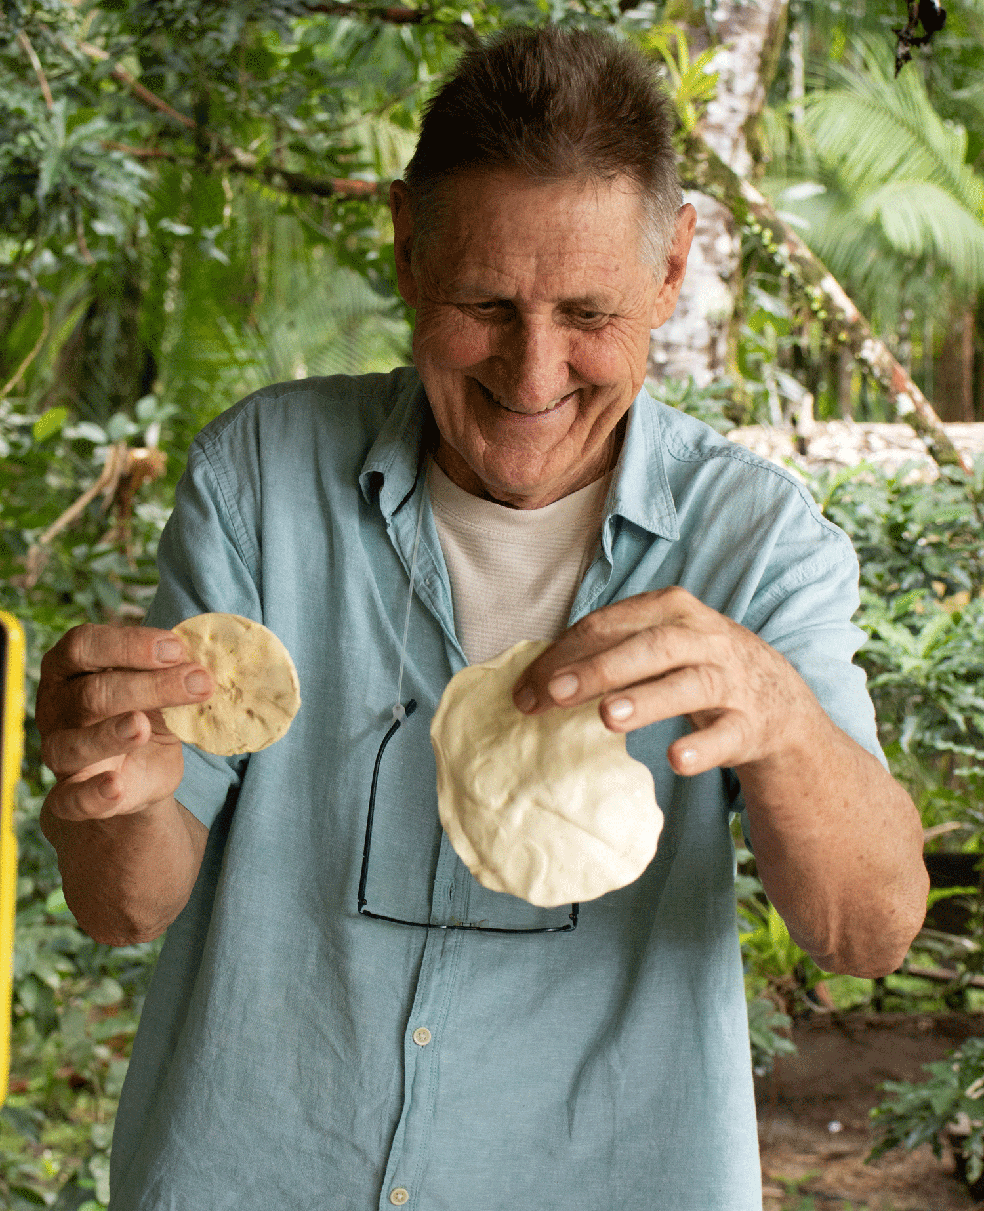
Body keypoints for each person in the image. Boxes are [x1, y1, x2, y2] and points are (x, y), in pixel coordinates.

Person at [36, 25, 928, 1211]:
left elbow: (867, 933)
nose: (534, 372)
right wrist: (113, 788)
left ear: (672, 269)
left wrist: (781, 715)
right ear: (408, 246)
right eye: (486, 303)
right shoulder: (262, 478)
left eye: (589, 313)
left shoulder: (757, 543)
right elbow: (123, 903)